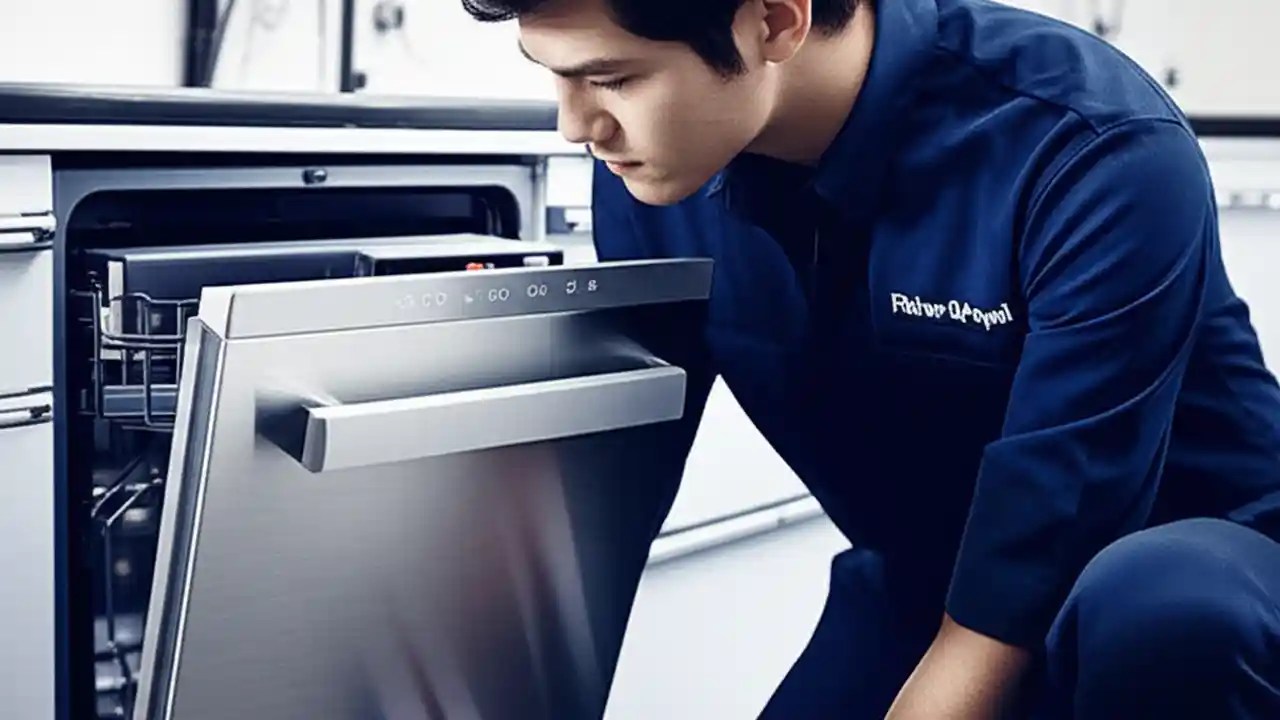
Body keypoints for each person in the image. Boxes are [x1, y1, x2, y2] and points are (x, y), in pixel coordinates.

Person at [463, 0, 1280, 717]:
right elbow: (611, 490)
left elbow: (1059, 515)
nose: (577, 125)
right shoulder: (658, 169)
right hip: (924, 581)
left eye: (613, 79)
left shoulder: (1089, 144)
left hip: (1199, 582)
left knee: (1161, 612)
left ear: (776, 18)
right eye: (556, 76)